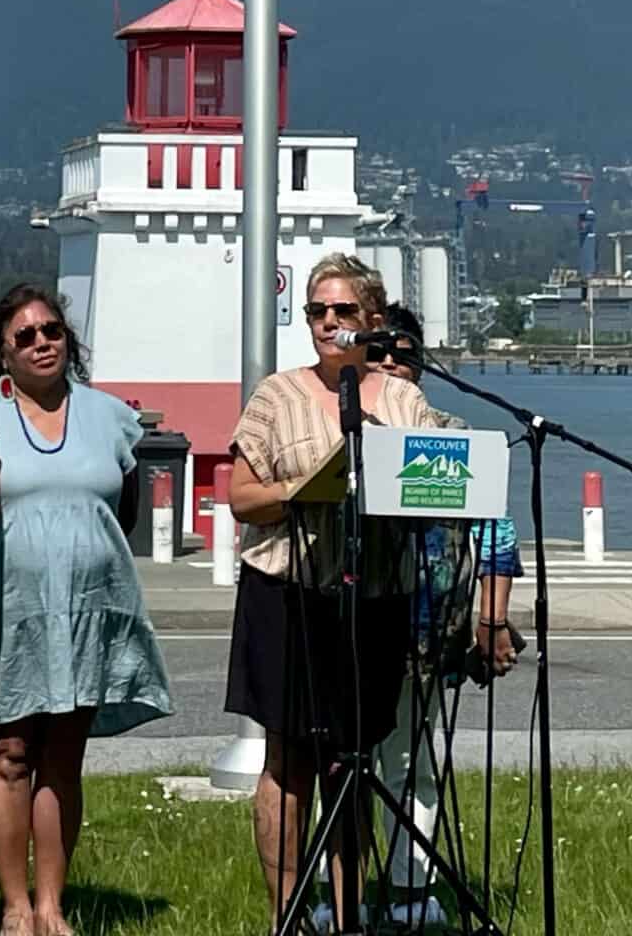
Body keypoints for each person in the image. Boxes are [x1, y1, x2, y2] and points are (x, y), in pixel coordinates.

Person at [227, 253, 455, 924]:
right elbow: (240, 496)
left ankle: (348, 909)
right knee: (289, 758)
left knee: (351, 762)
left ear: (372, 321)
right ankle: (288, 914)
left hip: (374, 596)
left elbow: (435, 490)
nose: (328, 323)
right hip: (288, 593)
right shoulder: (277, 394)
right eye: (316, 312)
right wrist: (298, 493)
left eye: (343, 312)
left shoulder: (404, 400)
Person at [0, 285, 171, 936]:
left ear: (68, 338)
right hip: (10, 608)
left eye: (50, 330)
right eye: (24, 335)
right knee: (10, 755)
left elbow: (125, 508)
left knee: (62, 758)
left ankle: (52, 906)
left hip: (89, 609)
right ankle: (14, 907)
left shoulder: (109, 416)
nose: (41, 342)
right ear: (2, 351)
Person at [376, 302, 521, 913]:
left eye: (403, 353)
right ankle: (341, 890)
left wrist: (491, 619)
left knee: (413, 760)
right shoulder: (336, 430)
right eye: (377, 351)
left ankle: (411, 889)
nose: (390, 363)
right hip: (345, 622)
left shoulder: (453, 434)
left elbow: (497, 534)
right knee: (341, 768)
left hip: (430, 629)